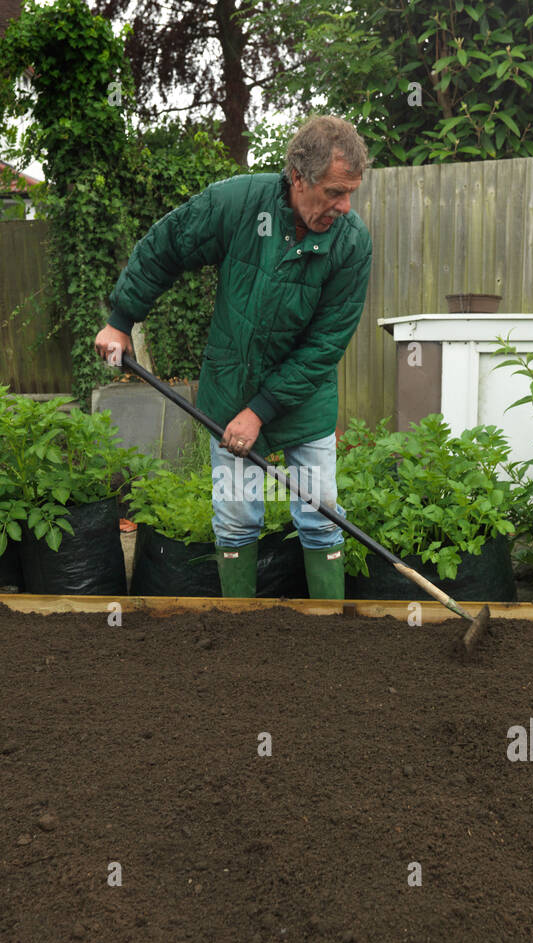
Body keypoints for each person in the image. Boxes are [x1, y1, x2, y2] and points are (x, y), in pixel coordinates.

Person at [94, 114, 372, 599]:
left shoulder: (351, 245)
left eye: (351, 192)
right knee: (237, 516)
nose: (344, 206)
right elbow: (167, 246)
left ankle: (331, 640)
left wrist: (260, 412)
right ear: (298, 177)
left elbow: (325, 345)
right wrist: (121, 320)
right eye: (334, 192)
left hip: (302, 401)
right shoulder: (240, 203)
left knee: (320, 511)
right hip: (232, 386)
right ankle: (240, 635)